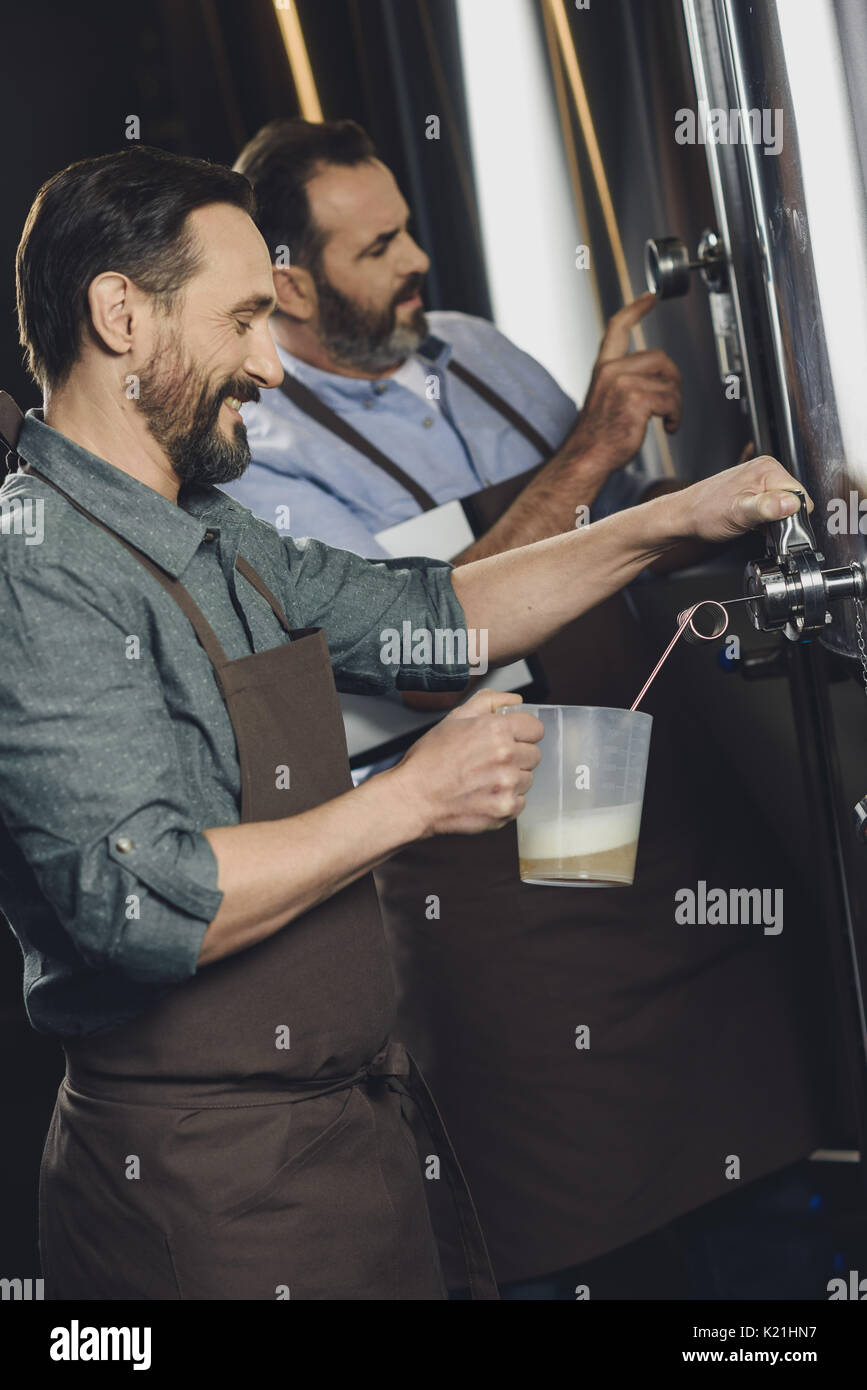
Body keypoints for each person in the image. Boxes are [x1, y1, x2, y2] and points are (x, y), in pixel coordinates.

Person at [1, 142, 807, 1302]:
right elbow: (144, 904)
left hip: (355, 1136)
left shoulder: (215, 533)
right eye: (239, 321)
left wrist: (680, 517)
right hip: (203, 1184)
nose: (270, 368)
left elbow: (441, 616)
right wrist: (415, 797)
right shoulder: (38, 569)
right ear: (120, 314)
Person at [224, 118, 830, 1299]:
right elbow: (418, 652)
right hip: (486, 856)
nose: (416, 261)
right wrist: (594, 446)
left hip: (630, 795)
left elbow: (608, 547)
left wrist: (734, 488)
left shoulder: (476, 350)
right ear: (286, 279)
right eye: (379, 245)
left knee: (758, 1158)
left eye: (407, 227)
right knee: (569, 1210)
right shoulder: (261, 450)